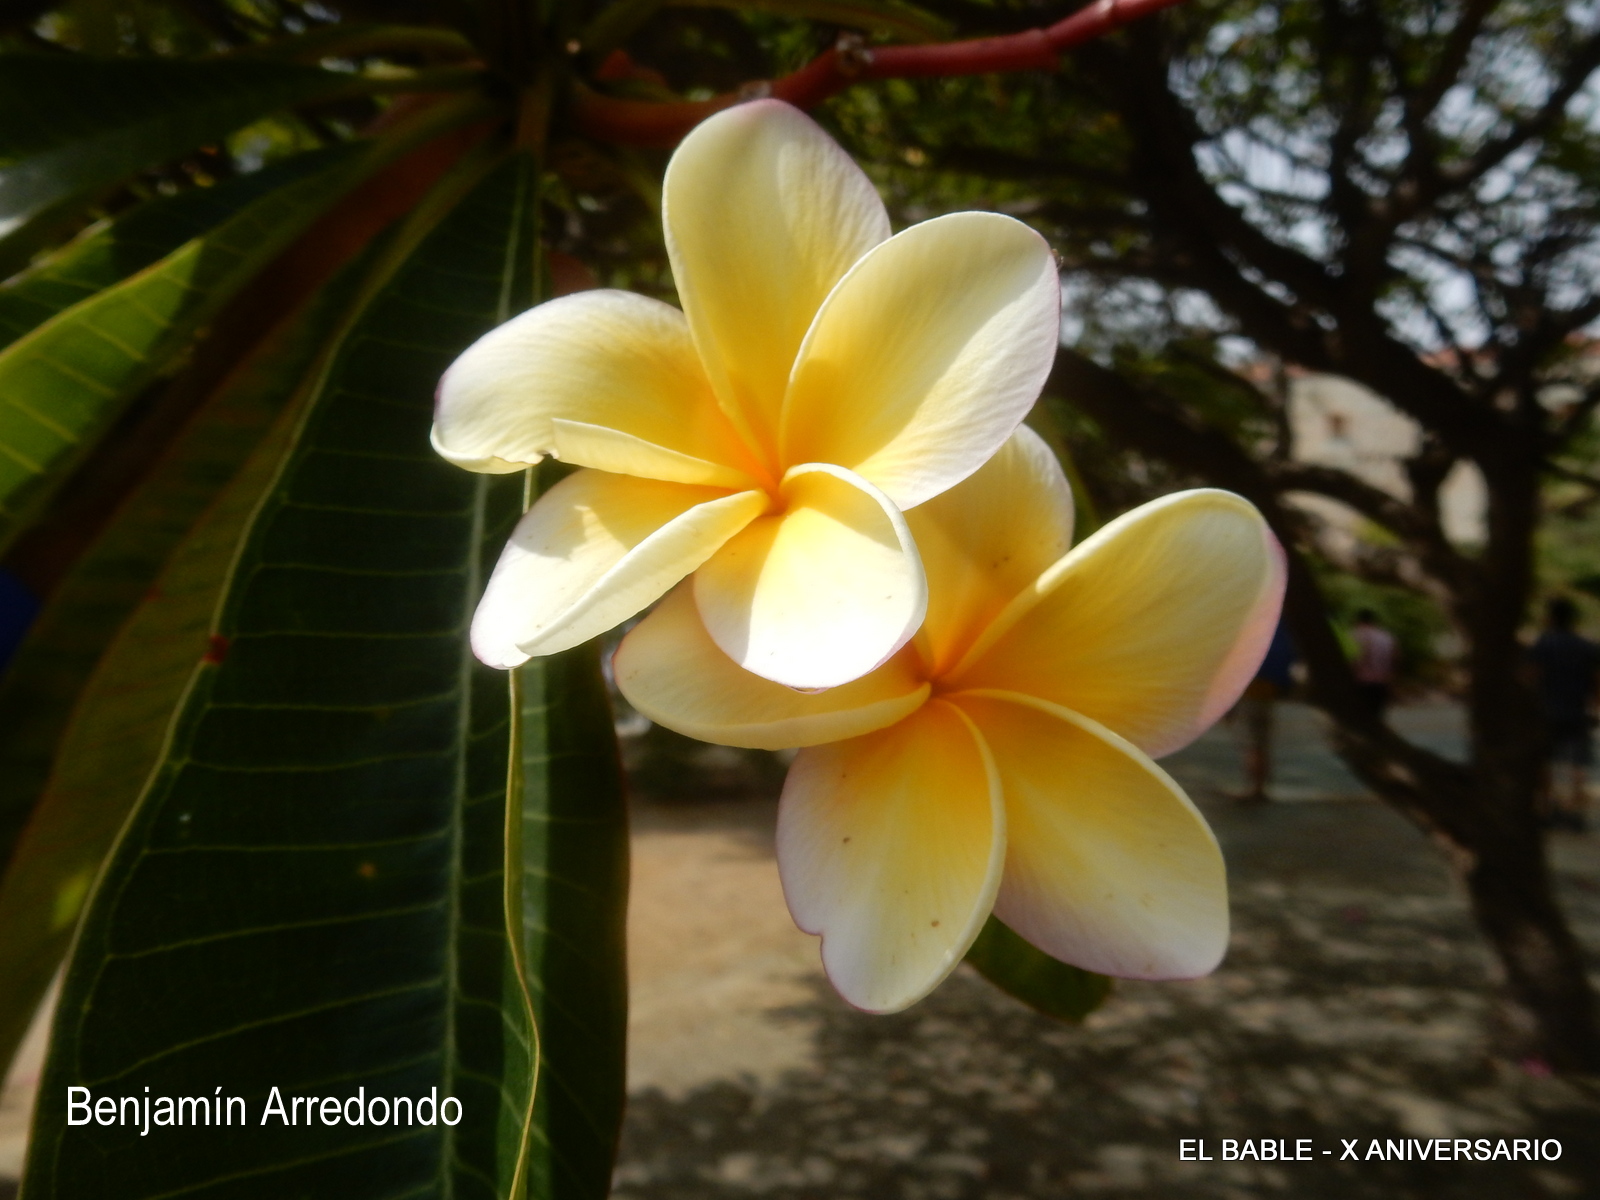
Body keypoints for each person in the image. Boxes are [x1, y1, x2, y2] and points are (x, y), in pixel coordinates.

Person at [1528, 597, 1600, 833]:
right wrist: (1595, 706)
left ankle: (1548, 808)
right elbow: (1596, 680)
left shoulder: (1543, 645)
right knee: (1577, 762)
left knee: (1543, 761)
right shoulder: (1587, 646)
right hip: (1577, 710)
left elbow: (1532, 676)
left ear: (1549, 618)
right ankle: (1574, 811)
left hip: (1546, 711)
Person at [1238, 619, 1294, 803]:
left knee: (1254, 741)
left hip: (1252, 687)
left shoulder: (1253, 626)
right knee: (1262, 740)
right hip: (1269, 688)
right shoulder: (1279, 628)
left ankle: (1256, 788)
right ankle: (1260, 786)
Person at [1351, 608, 1398, 719]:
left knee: (1359, 718)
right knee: (1376, 717)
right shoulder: (1387, 636)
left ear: (1358, 621)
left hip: (1361, 682)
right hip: (1382, 682)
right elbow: (1396, 657)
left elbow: (1356, 659)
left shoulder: (1354, 635)